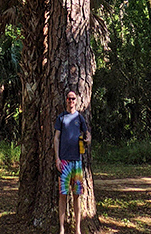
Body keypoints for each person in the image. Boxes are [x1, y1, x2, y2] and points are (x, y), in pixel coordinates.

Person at [54, 90, 91, 234]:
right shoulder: (61, 118)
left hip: (77, 162)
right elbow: (56, 138)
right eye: (69, 99)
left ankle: (78, 229)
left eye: (73, 99)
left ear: (76, 100)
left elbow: (87, 134)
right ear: (66, 100)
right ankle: (62, 228)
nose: (71, 101)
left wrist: (88, 139)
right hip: (64, 162)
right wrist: (57, 158)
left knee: (77, 195)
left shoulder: (80, 118)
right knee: (63, 195)